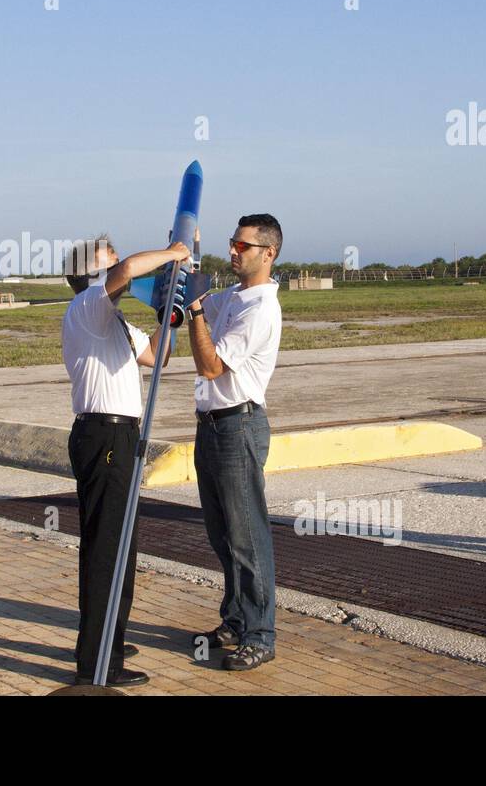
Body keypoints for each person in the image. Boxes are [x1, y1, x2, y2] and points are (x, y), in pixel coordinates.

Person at [61, 234, 190, 686]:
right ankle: (99, 662)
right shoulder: (89, 307)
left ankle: (107, 639)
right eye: (106, 254)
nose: (115, 256)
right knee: (107, 550)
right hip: (105, 436)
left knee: (118, 547)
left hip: (120, 435)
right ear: (88, 272)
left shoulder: (111, 320)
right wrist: (174, 253)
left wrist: (168, 315)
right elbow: (129, 270)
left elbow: (158, 357)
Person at [185, 214, 283, 671]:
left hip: (238, 425)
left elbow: (210, 367)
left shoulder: (260, 308)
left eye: (243, 247)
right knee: (221, 535)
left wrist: (197, 310)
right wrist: (187, 254)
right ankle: (236, 620)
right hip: (210, 425)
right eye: (232, 244)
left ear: (269, 253)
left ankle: (261, 635)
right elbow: (198, 292)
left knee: (247, 538)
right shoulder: (234, 296)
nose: (234, 253)